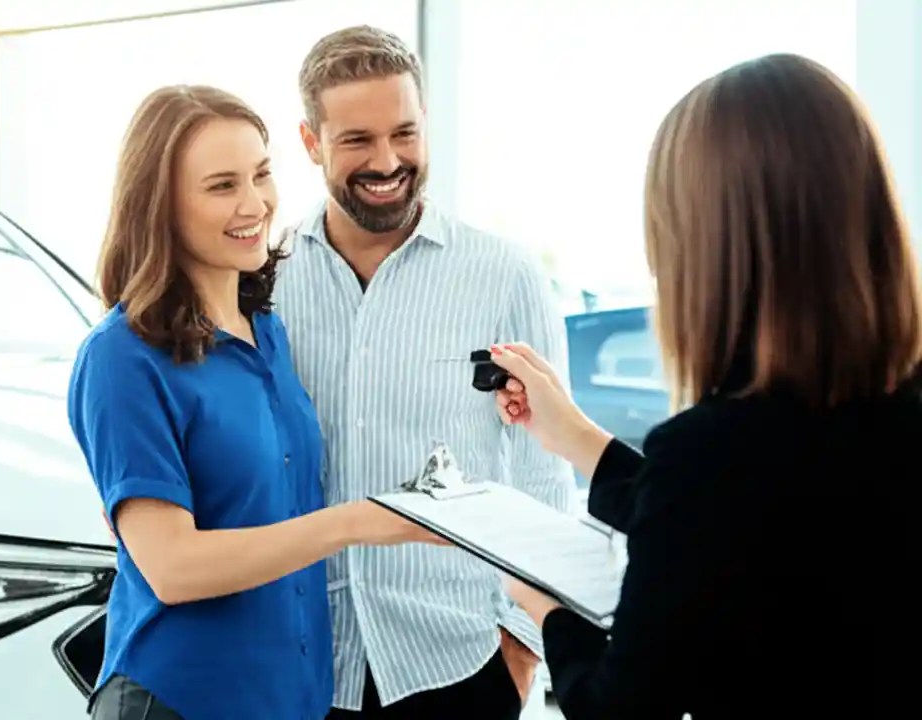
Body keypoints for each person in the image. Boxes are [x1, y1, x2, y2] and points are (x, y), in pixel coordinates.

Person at [488, 53, 919, 719]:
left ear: (707, 248)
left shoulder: (713, 456)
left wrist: (546, 608)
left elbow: (620, 708)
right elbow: (742, 512)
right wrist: (576, 439)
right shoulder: (884, 414)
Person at [66, 84, 443, 720]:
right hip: (179, 702)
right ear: (161, 206)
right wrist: (355, 523)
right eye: (222, 186)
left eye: (261, 175)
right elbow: (172, 569)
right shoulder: (121, 357)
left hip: (291, 702)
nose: (255, 204)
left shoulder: (266, 330)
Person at [272, 25, 576, 719]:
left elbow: (545, 476)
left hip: (461, 665)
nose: (388, 161)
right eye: (357, 140)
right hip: (302, 666)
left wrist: (521, 647)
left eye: (404, 133)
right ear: (312, 142)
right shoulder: (266, 280)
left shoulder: (503, 275)